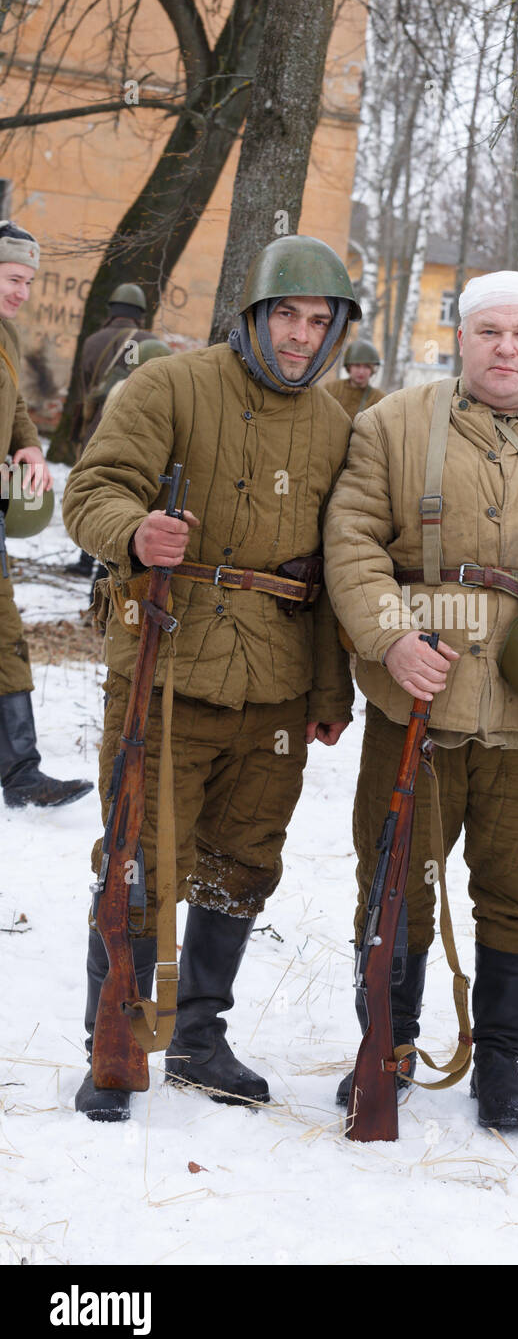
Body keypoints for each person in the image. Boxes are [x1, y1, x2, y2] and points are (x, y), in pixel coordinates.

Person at [324, 270, 518, 1129]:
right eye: (488, 332)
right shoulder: (390, 425)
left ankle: (499, 1064)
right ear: (460, 340)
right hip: (414, 713)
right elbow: (350, 541)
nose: (506, 348)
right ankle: (385, 1050)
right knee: (395, 883)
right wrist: (390, 634)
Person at [63, 235, 360, 1122]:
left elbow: (332, 572)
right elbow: (92, 490)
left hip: (274, 681)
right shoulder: (167, 386)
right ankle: (114, 1035)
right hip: (167, 660)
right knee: (141, 857)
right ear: (252, 315)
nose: (302, 336)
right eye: (287, 316)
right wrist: (135, 532)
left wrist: (328, 692)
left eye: (320, 321)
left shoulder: (339, 423)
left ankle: (198, 1034)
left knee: (243, 863)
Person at [0, 219, 93, 809]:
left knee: (5, 632)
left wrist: (28, 442)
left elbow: (13, 404)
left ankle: (20, 773)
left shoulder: (6, 335)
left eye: (29, 281)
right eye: (13, 278)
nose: (23, 292)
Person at [65, 283, 155, 579]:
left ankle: (84, 559)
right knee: (124, 491)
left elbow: (84, 388)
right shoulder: (151, 342)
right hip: (133, 427)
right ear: (140, 313)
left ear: (112, 309)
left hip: (97, 424)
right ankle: (109, 561)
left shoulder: (93, 341)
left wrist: (77, 431)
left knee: (95, 489)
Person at [326, 338, 386, 419]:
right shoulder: (331, 389)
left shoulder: (378, 398)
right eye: (357, 365)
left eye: (366, 367)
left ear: (372, 370)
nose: (361, 372)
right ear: (349, 367)